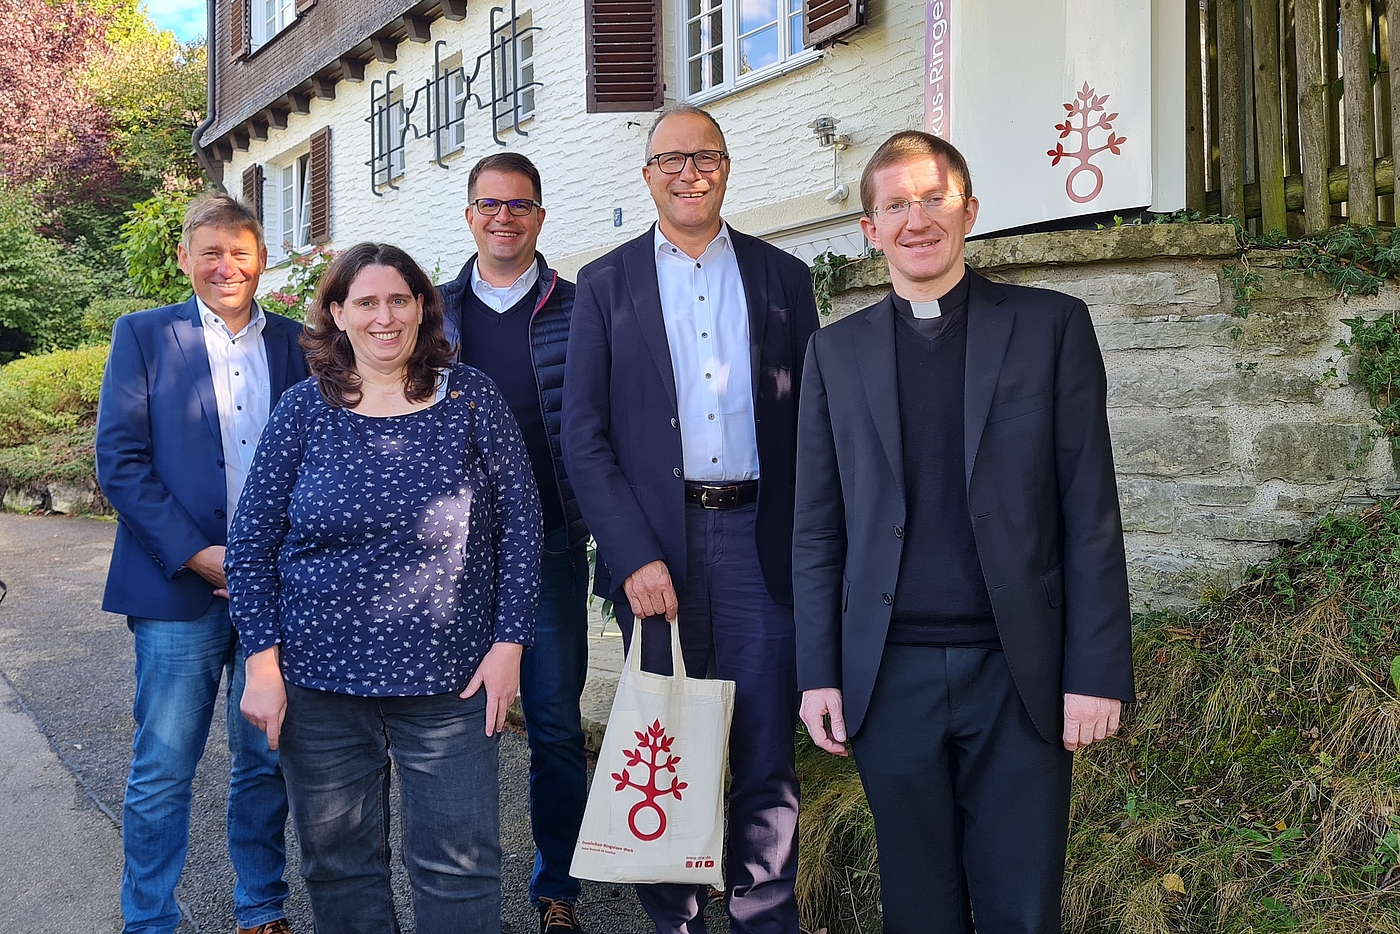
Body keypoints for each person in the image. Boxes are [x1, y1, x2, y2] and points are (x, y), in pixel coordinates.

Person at [792, 130, 1135, 933]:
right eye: (896, 204)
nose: (917, 219)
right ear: (870, 228)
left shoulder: (1052, 327)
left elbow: (1091, 509)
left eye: (934, 198)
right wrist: (819, 674)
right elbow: (817, 529)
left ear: (970, 210)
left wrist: (1096, 671)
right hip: (888, 676)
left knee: (1022, 905)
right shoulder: (833, 354)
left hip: (1020, 672)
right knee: (917, 905)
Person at [228, 243, 542, 934]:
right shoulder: (303, 410)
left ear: (423, 307)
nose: (384, 316)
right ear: (337, 313)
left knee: (460, 865)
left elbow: (521, 524)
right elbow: (250, 544)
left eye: (399, 299)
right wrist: (262, 663)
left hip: (450, 681)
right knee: (340, 866)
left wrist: (508, 643)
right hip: (320, 683)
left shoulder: (470, 397)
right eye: (365, 302)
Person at [562, 104, 820, 934]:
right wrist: (632, 553)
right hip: (659, 547)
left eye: (704, 156)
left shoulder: (785, 277)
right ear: (646, 175)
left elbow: (813, 422)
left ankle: (763, 918)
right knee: (663, 746)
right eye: (670, 159)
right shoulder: (605, 284)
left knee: (765, 751)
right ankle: (674, 919)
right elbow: (584, 436)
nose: (688, 172)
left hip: (761, 542)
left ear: (726, 167)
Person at [95, 193, 303, 934]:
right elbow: (120, 463)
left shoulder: (299, 345)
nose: (225, 266)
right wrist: (200, 555)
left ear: (262, 259)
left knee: (267, 760)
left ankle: (261, 909)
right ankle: (149, 920)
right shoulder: (145, 336)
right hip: (177, 588)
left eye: (239, 252)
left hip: (276, 593)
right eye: (210, 252)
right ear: (185, 257)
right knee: (162, 769)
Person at [439, 153, 590, 934]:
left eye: (520, 204)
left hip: (555, 548)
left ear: (539, 214)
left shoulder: (580, 305)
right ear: (469, 215)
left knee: (556, 727)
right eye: (489, 204)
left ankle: (556, 886)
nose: (504, 217)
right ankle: (459, 894)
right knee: (456, 726)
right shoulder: (432, 312)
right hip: (453, 560)